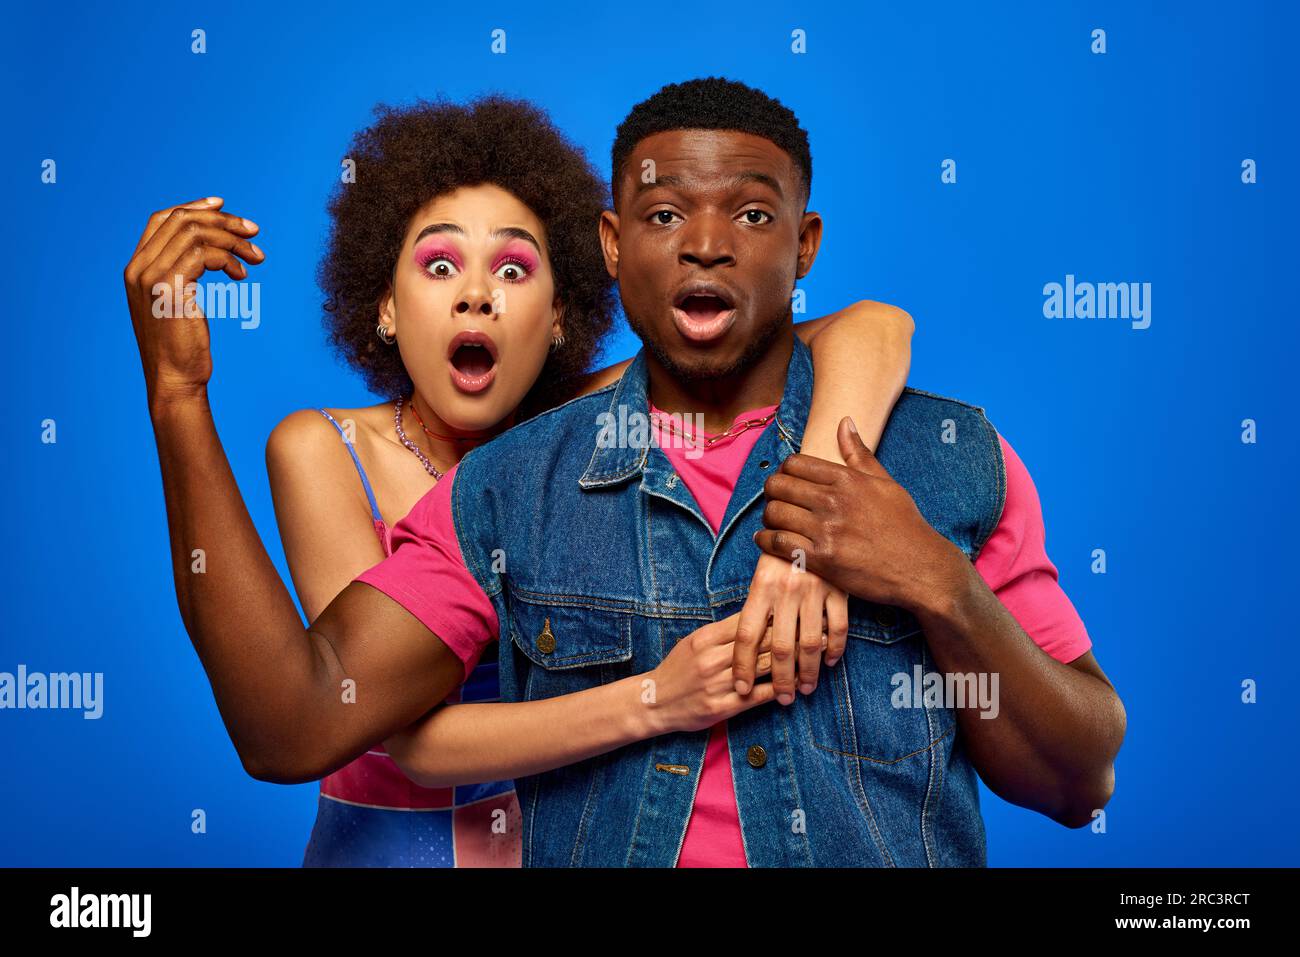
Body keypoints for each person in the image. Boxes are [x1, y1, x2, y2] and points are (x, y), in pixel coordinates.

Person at [123, 95, 915, 867]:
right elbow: (387, 729)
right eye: (439, 265)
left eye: (512, 267)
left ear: (561, 313)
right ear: (388, 307)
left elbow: (874, 325)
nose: (477, 293)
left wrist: (809, 534)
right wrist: (658, 700)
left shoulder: (589, 423)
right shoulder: (325, 446)